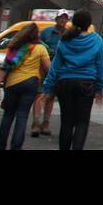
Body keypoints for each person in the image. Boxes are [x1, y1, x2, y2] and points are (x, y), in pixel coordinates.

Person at [40, 10, 103, 150]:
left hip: (65, 82)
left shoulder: (65, 39)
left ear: (73, 22)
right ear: (89, 24)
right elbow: (100, 66)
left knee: (67, 122)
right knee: (82, 122)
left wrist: (47, 87)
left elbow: (56, 66)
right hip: (87, 83)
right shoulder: (96, 40)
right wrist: (99, 88)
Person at [0, 23, 50, 150]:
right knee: (22, 116)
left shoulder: (15, 48)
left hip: (12, 84)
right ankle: (16, 147)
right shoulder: (40, 49)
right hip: (30, 83)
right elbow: (48, 68)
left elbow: (4, 68)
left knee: (8, 115)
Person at [31, 10, 70, 138]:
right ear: (56, 19)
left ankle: (46, 123)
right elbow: (37, 47)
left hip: (59, 70)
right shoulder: (46, 32)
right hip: (43, 68)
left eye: (65, 18)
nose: (62, 20)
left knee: (51, 97)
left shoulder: (68, 34)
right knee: (39, 95)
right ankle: (36, 123)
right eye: (60, 18)